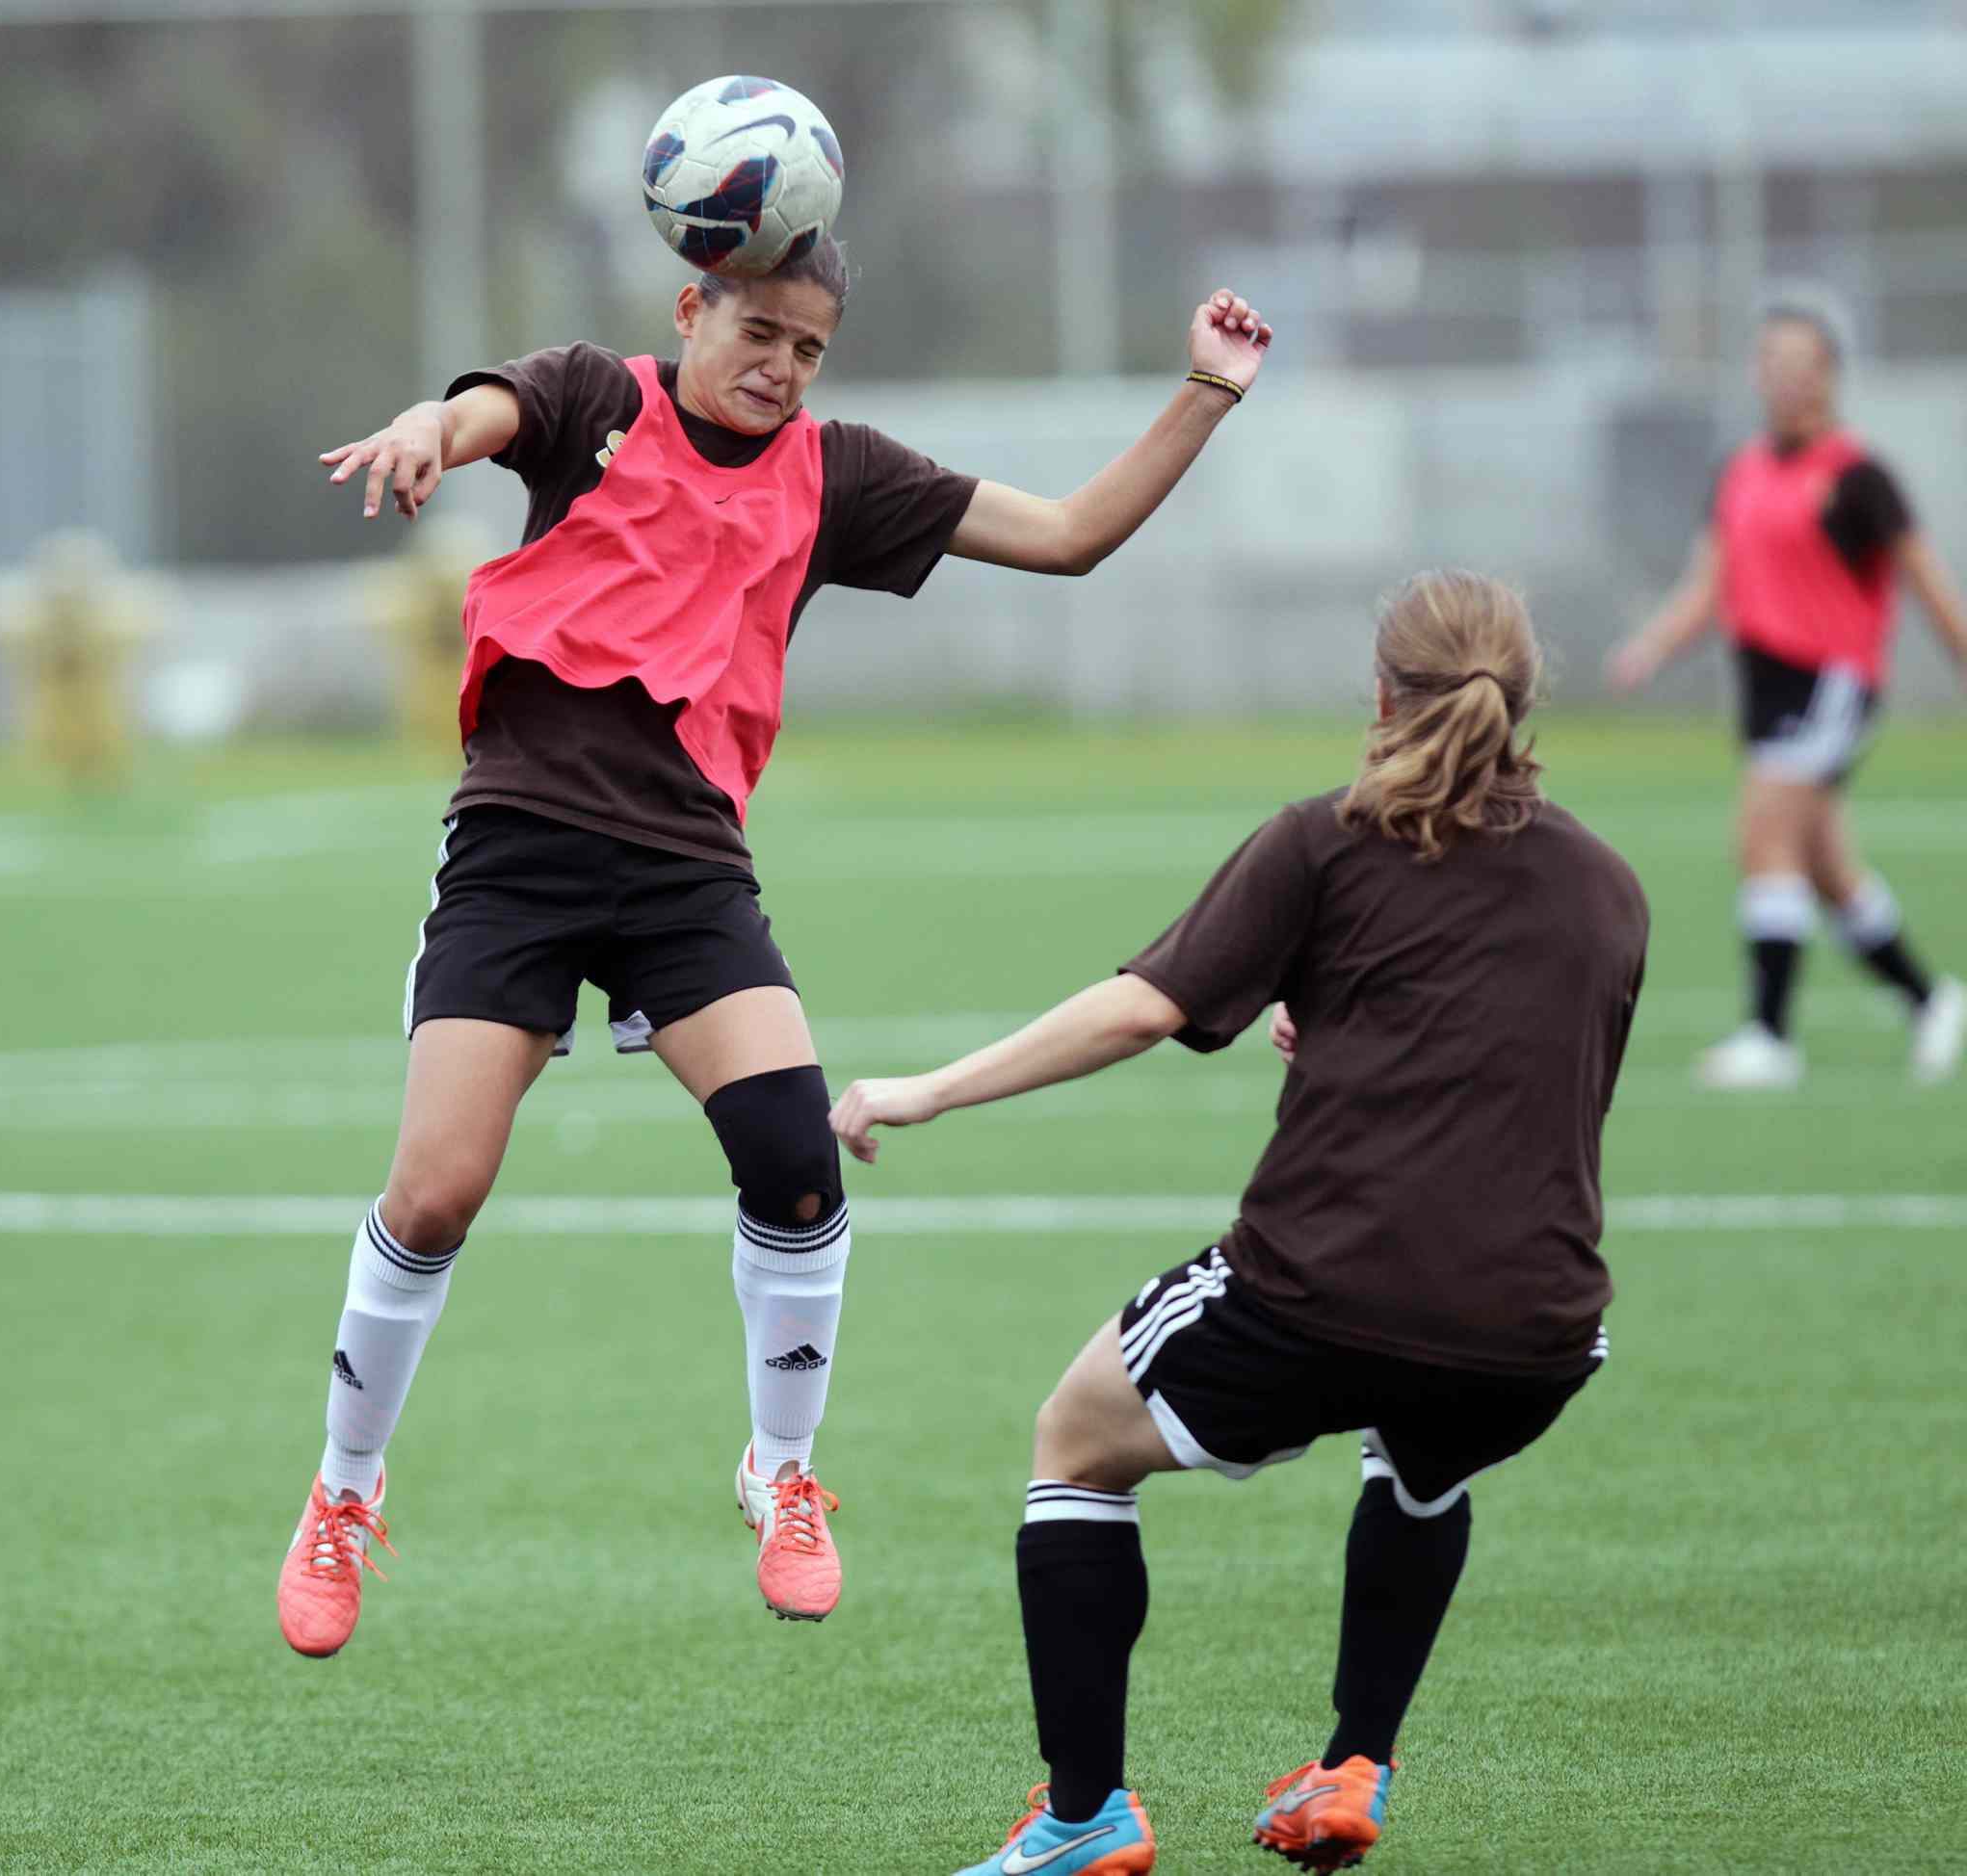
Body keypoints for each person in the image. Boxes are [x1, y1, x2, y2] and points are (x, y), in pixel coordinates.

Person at [275, 238, 1274, 1660]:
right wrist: (431, 428)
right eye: (757, 331)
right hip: (519, 854)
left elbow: (1065, 537)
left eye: (808, 349)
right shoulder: (593, 399)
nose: (779, 366)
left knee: (798, 1161)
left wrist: (1205, 389)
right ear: (693, 308)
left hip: (687, 873)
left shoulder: (837, 475)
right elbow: (485, 412)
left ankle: (781, 1472)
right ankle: (343, 1491)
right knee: (436, 1193)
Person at [831, 572, 1649, 1875]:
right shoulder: (1610, 888)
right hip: (1540, 1335)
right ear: (1523, 702)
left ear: (1379, 698)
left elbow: (1142, 1008)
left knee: (1078, 1438)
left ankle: (1085, 1816)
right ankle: (1354, 1768)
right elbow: (1506, 1082)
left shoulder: (1326, 841)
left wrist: (924, 1091)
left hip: (1326, 1294)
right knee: (1426, 1457)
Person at [1611, 296, 1967, 1090]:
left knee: (1765, 827)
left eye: (1802, 365)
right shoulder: (1739, 474)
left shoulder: (1859, 477)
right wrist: (1650, 648)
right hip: (1766, 690)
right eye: (1771, 364)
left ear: (1830, 377)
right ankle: (1932, 1000)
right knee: (1825, 867)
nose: (1785, 379)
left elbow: (1928, 583)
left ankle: (1770, 1035)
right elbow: (1709, 588)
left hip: (1834, 683)